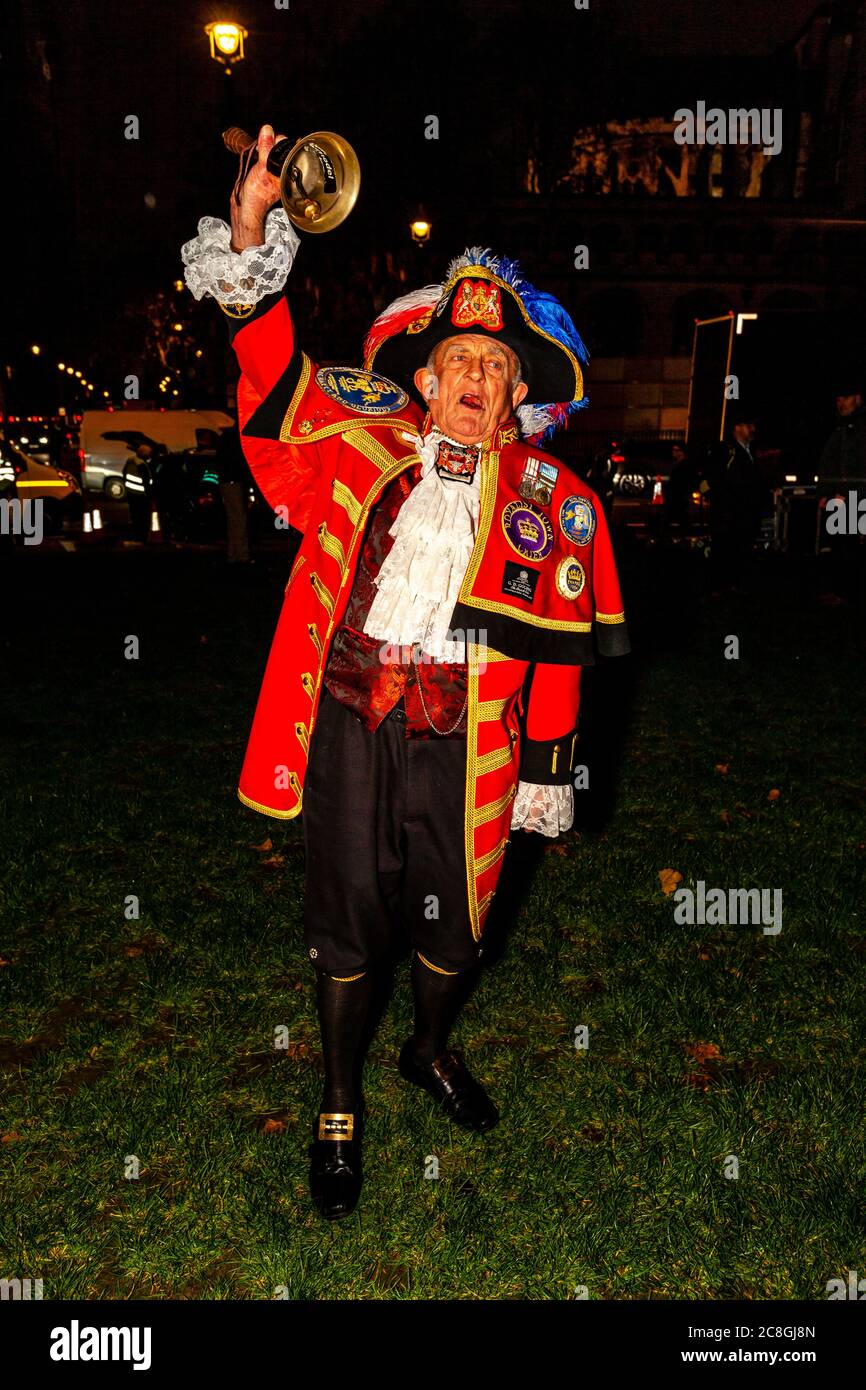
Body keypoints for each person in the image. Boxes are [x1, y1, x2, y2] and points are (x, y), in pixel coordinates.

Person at [182, 124, 630, 1221]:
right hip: (351, 721)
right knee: (346, 919)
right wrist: (251, 240)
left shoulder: (552, 502)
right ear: (422, 380)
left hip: (471, 739)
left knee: (456, 926)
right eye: (459, 362)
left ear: (517, 394)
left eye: (496, 367)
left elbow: (561, 648)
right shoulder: (357, 443)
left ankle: (427, 1048)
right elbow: (269, 381)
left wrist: (547, 771)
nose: (475, 378)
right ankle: (338, 1098)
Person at [816, 377, 866, 604]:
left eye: (845, 398)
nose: (840, 403)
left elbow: (857, 465)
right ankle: (839, 590)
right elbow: (829, 462)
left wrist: (847, 492)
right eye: (838, 399)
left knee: (850, 546)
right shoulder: (842, 428)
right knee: (838, 546)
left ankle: (847, 593)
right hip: (841, 498)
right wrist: (825, 493)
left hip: (854, 497)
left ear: (858, 398)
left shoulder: (860, 428)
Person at [704, 408, 763, 596]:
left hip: (744, 514)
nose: (752, 429)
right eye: (748, 425)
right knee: (724, 550)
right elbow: (712, 480)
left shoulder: (750, 452)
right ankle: (720, 587)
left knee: (740, 551)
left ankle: (734, 585)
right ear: (737, 428)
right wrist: (723, 501)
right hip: (728, 514)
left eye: (753, 425)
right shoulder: (725, 451)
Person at [215, 420, 252, 564]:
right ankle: (242, 554)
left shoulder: (227, 437)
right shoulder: (236, 438)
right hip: (234, 480)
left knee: (233, 519)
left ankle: (233, 553)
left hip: (227, 481)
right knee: (239, 519)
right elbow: (239, 461)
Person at [123, 442, 155, 543]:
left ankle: (137, 536)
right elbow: (146, 483)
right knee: (143, 519)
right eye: (149, 454)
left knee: (135, 518)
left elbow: (124, 473)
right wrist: (150, 497)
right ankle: (142, 538)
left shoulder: (130, 460)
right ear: (145, 454)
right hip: (141, 497)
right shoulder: (142, 465)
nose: (149, 456)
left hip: (131, 494)